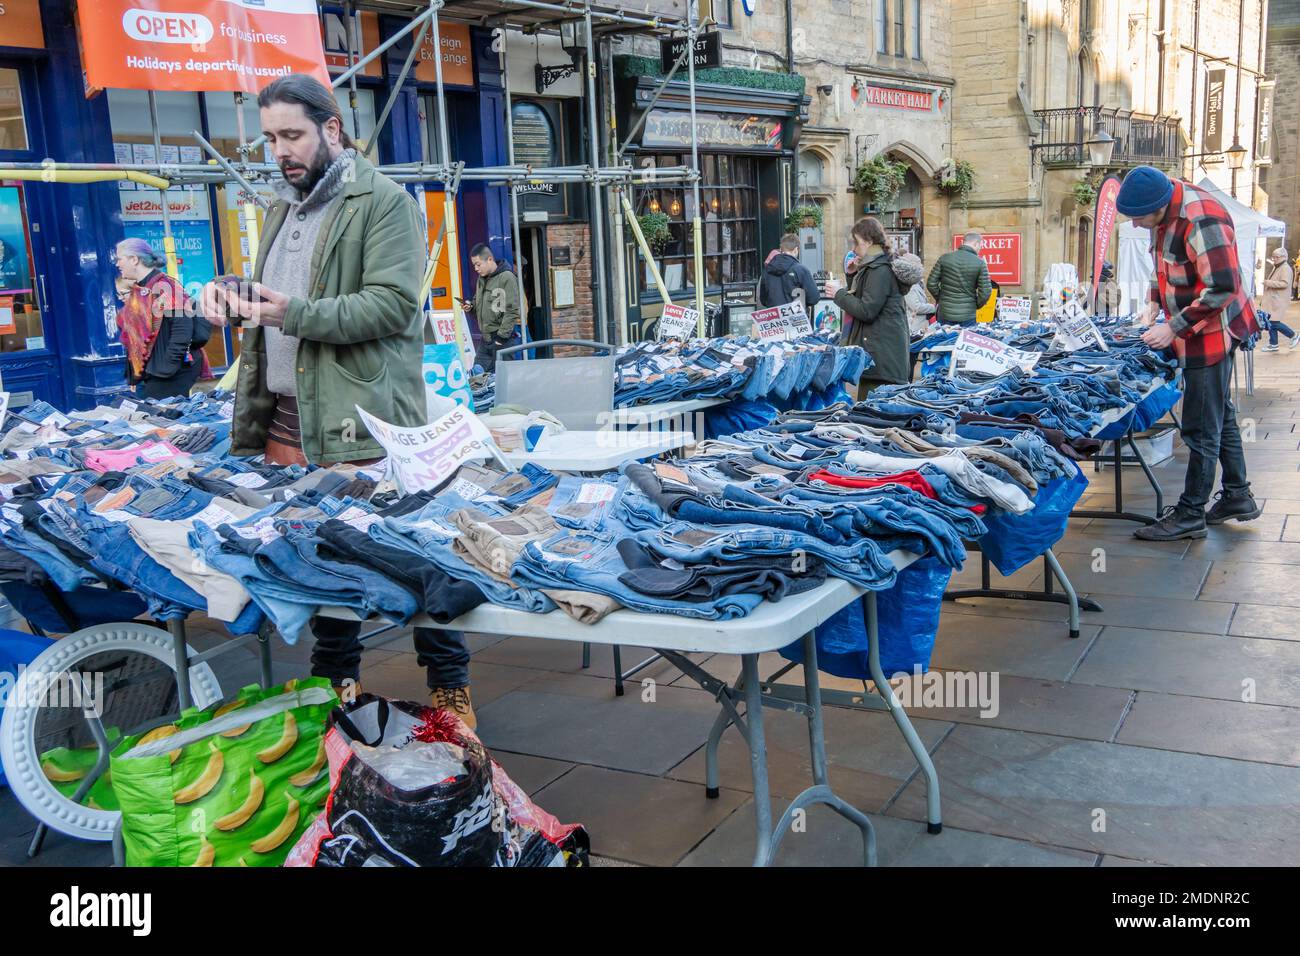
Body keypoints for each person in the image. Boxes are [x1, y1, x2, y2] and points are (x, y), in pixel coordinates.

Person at [200, 74, 477, 727]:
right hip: (287, 424)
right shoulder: (279, 208)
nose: (280, 150)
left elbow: (387, 305)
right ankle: (335, 686)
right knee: (317, 552)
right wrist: (231, 293)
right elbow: (278, 294)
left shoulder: (384, 203)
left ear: (332, 128)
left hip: (365, 423)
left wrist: (288, 310)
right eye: (270, 138)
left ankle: (449, 684)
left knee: (409, 552)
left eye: (291, 134)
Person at [1118, 165, 1262, 541]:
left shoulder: (1202, 217)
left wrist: (1172, 327)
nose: (1135, 225)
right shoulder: (1163, 213)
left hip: (1213, 329)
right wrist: (1153, 303)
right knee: (1220, 413)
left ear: (1159, 205)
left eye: (1138, 218)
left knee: (1200, 425)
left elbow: (1223, 287)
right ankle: (1237, 495)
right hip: (1196, 325)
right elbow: (1163, 265)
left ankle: (1191, 512)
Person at [113, 237, 209, 399]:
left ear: (134, 259)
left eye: (119, 259)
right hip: (151, 372)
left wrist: (167, 367)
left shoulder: (166, 287)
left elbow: (182, 329)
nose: (117, 264)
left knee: (167, 422)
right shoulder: (140, 290)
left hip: (169, 373)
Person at [822, 217, 910, 393]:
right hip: (880, 352)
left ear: (869, 242)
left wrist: (838, 294)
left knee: (874, 413)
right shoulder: (875, 266)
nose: (854, 248)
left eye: (857, 243)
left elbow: (867, 310)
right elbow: (865, 295)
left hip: (883, 357)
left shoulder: (879, 269)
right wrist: (851, 274)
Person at [463, 243, 520, 373]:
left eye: (478, 264)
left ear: (489, 259)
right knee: (477, 377)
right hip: (485, 339)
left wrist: (501, 338)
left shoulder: (507, 277)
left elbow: (512, 310)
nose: (476, 269)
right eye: (474, 265)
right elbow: (478, 301)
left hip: (501, 340)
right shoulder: (481, 279)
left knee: (503, 383)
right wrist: (470, 307)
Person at [926, 230, 992, 326]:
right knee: (964, 340)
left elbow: (931, 283)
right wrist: (975, 305)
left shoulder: (944, 258)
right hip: (968, 315)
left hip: (945, 312)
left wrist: (942, 298)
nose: (980, 249)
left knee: (943, 340)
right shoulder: (980, 263)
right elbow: (986, 292)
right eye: (980, 246)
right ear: (976, 244)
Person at [759, 233, 821, 309]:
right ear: (796, 249)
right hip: (797, 316)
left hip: (774, 318)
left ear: (781, 249)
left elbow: (763, 299)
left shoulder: (768, 269)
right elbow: (814, 298)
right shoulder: (801, 270)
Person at [1259, 246, 1299, 351]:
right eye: (1273, 257)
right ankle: (1273, 344)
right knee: (1270, 321)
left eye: (1276, 257)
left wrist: (1269, 282)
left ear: (1283, 257)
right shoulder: (1278, 266)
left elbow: (1285, 283)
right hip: (1274, 299)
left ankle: (1293, 335)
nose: (1274, 259)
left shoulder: (1285, 268)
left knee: (1274, 322)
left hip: (1278, 300)